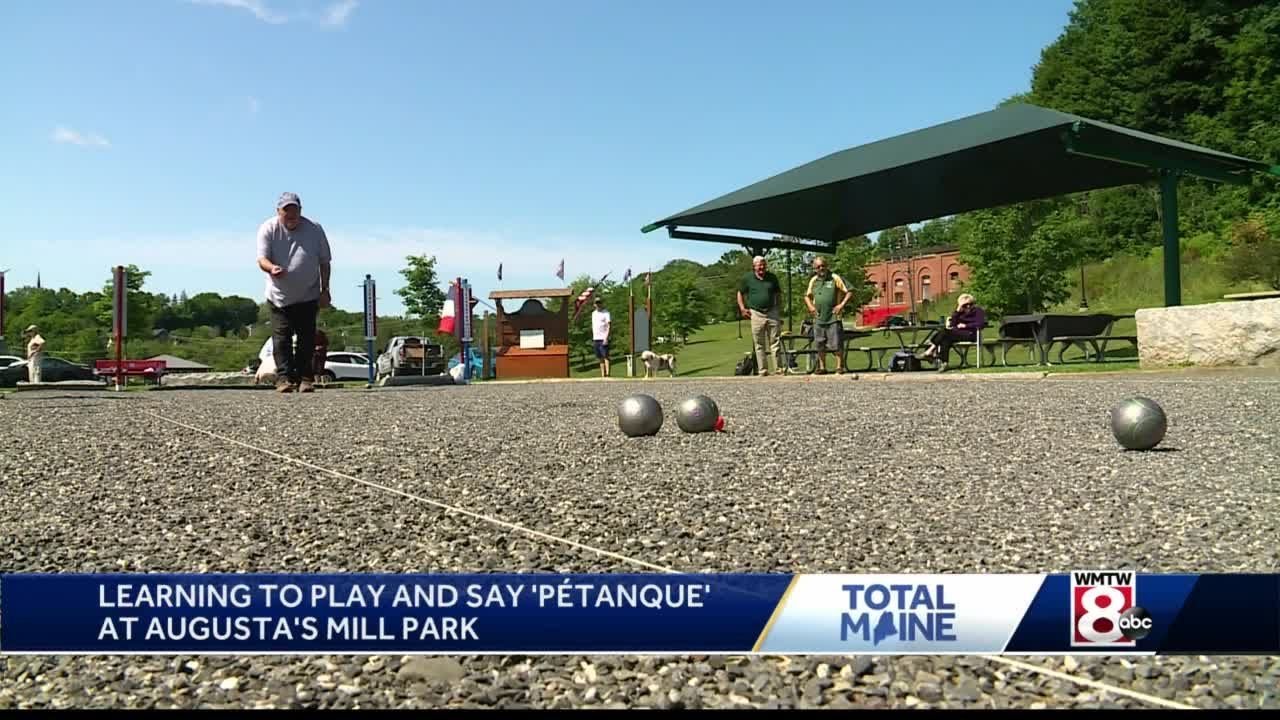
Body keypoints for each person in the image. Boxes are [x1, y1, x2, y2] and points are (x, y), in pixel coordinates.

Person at [257, 191, 332, 393]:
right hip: (278, 296)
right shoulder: (268, 228)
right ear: (278, 211)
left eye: (295, 211)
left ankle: (305, 378)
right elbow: (261, 259)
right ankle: (284, 378)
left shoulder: (314, 229)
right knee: (281, 337)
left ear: (300, 210)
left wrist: (325, 290)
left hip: (308, 294)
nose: (291, 216)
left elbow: (325, 262)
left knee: (306, 338)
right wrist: (271, 268)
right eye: (286, 212)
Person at [803, 256, 853, 374]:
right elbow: (806, 295)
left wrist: (841, 305)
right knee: (820, 344)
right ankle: (822, 367)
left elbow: (850, 291)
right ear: (814, 268)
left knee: (836, 343)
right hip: (819, 318)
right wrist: (810, 306)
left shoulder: (835, 277)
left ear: (827, 266)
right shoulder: (813, 280)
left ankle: (839, 367)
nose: (821, 268)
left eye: (823, 266)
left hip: (833, 317)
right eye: (818, 267)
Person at [737, 255, 783, 376]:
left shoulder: (772, 277)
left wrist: (778, 308)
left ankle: (778, 370)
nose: (762, 267)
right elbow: (740, 293)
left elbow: (778, 294)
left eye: (763, 264)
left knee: (775, 342)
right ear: (754, 267)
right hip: (756, 313)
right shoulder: (747, 278)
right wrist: (742, 308)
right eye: (759, 265)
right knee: (759, 344)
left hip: (772, 312)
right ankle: (763, 370)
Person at [919, 293, 986, 372]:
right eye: (965, 305)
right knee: (945, 339)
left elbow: (981, 323)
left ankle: (930, 350)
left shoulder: (978, 311)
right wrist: (957, 311)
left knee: (945, 332)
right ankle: (945, 363)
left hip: (971, 334)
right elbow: (952, 324)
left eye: (970, 304)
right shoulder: (959, 313)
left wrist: (966, 325)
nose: (968, 307)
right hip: (957, 334)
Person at [590, 297, 611, 377]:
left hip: (603, 337)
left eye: (599, 303)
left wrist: (606, 337)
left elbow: (609, 326)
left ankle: (608, 374)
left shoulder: (606, 313)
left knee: (606, 356)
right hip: (596, 338)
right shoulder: (593, 314)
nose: (598, 304)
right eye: (596, 303)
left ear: (601, 303)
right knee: (600, 357)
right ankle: (603, 374)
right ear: (594, 304)